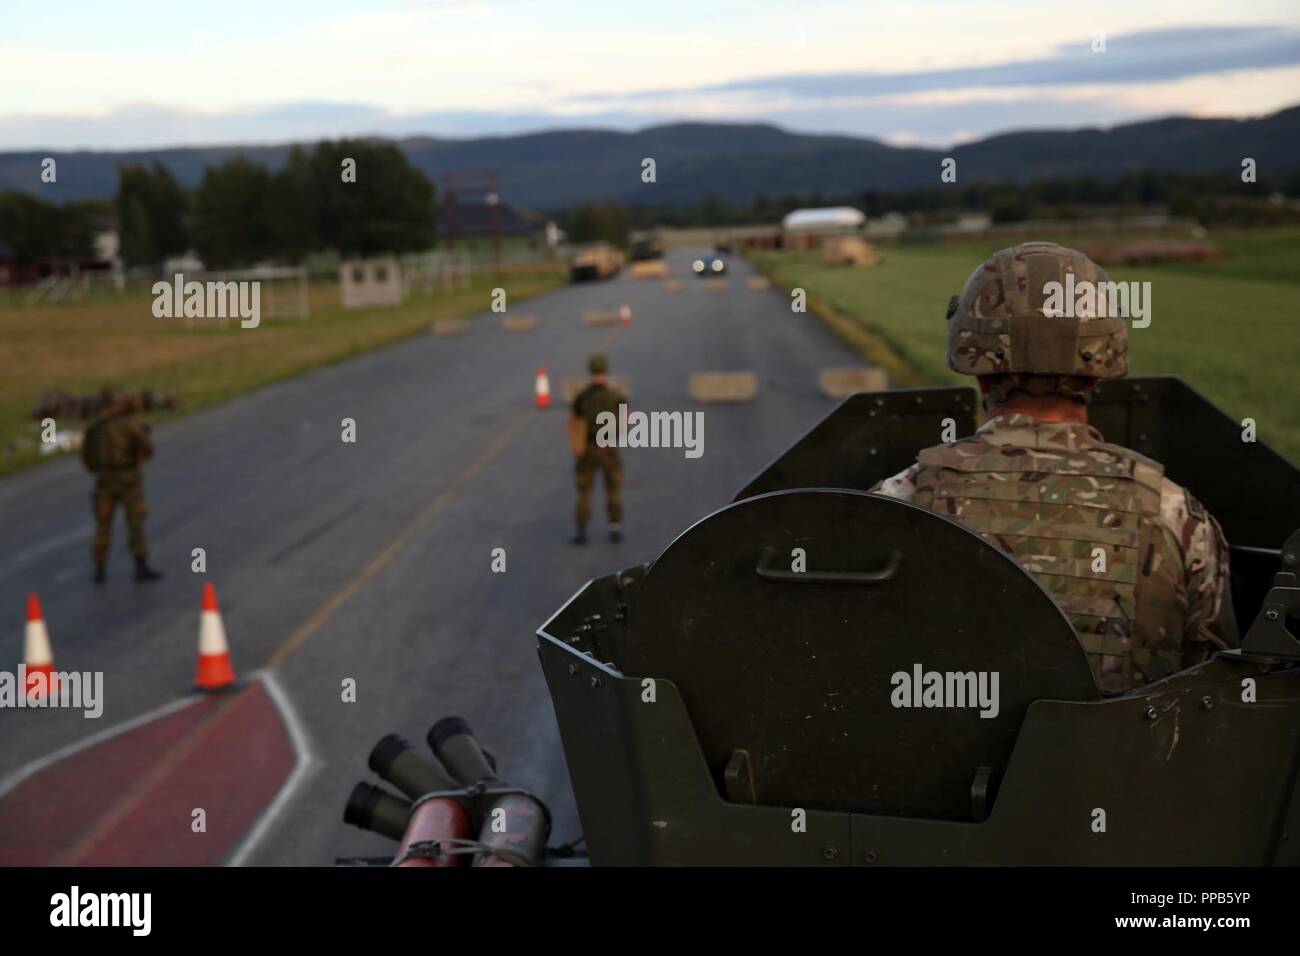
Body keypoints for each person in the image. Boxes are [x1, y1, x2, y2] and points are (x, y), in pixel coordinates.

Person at [872, 242, 1236, 694]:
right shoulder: (1177, 515)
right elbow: (1217, 692)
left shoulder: (901, 499)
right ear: (1098, 372)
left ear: (978, 370)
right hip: (1119, 764)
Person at [81, 385, 163, 584]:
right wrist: (138, 459)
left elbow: (87, 457)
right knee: (135, 523)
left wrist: (98, 469)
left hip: (104, 481)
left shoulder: (95, 428)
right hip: (128, 479)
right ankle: (140, 566)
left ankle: (99, 569)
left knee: (102, 525)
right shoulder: (128, 425)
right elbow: (147, 448)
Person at [570, 354, 625, 545]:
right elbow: (624, 420)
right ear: (605, 371)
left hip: (589, 447)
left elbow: (575, 418)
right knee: (613, 488)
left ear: (591, 371)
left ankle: (582, 531)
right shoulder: (615, 396)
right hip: (608, 446)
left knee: (584, 490)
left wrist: (577, 444)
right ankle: (615, 527)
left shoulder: (583, 396)